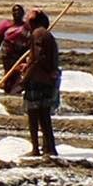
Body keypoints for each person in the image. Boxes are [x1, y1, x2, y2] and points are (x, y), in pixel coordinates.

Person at [19, 9, 60, 157]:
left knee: (34, 114)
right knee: (44, 115)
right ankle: (49, 147)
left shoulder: (38, 34)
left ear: (34, 21)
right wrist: (27, 65)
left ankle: (36, 148)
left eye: (28, 20)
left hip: (38, 80)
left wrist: (25, 79)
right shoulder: (45, 34)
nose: (26, 22)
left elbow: (37, 59)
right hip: (46, 79)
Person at [0, 3, 30, 94]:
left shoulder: (27, 27)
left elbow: (30, 42)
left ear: (23, 13)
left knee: (18, 73)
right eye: (14, 11)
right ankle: (8, 91)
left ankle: (15, 91)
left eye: (19, 11)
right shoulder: (6, 25)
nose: (16, 13)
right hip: (7, 55)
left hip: (20, 55)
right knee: (8, 73)